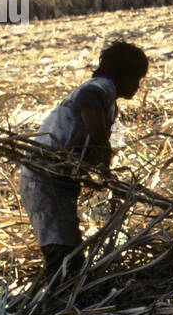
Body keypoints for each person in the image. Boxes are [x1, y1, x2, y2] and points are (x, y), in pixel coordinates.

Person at [17, 41, 148, 282]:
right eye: (136, 78)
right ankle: (53, 305)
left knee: (68, 249)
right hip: (44, 180)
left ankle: (58, 297)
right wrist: (103, 145)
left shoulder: (108, 102)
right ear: (123, 74)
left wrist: (102, 169)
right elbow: (88, 101)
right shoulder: (101, 88)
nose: (138, 86)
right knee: (64, 256)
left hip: (54, 181)